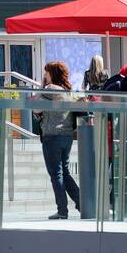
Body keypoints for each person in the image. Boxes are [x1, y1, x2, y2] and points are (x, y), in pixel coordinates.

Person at [37, 61, 81, 220]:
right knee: (64, 172)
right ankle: (81, 202)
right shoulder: (66, 91)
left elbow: (36, 107)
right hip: (67, 136)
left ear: (52, 74)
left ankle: (62, 210)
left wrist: (42, 88)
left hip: (52, 135)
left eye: (46, 72)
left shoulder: (49, 89)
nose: (44, 75)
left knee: (56, 174)